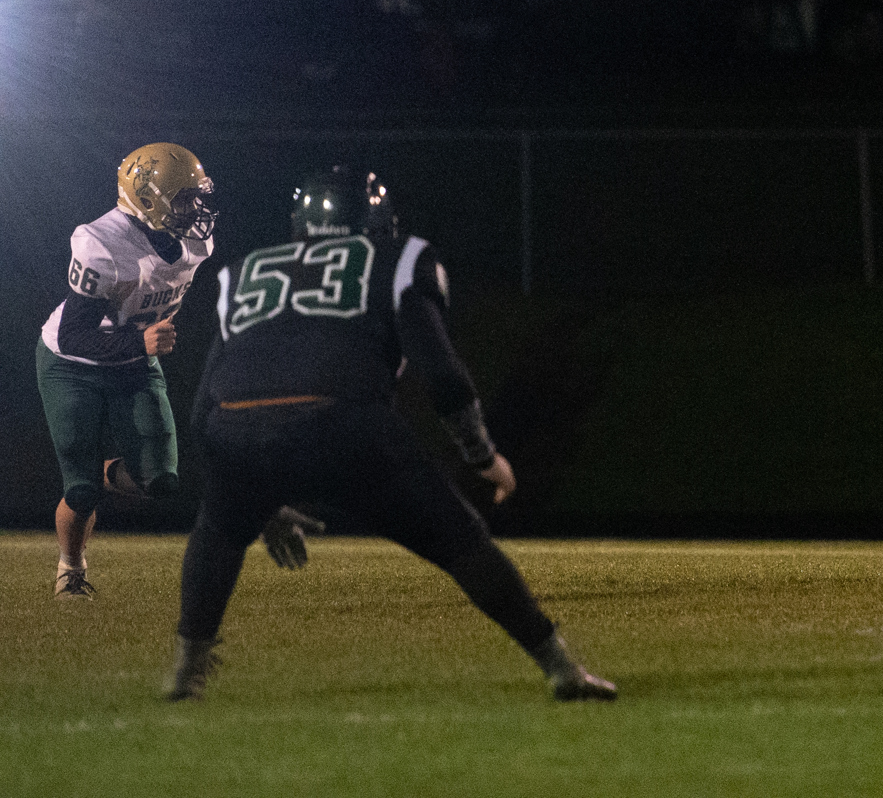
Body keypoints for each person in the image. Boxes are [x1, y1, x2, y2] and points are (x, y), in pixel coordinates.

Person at [163, 166, 614, 703]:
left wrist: (249, 495)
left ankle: (187, 669)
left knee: (216, 528)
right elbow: (443, 374)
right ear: (375, 218)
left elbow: (205, 400)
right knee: (461, 541)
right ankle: (561, 668)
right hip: (344, 425)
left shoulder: (241, 271)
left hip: (234, 426)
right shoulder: (400, 257)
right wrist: (481, 454)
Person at [37, 143, 216, 599]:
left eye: (197, 196)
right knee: (79, 494)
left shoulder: (194, 239)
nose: (195, 208)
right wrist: (140, 341)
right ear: (150, 197)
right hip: (71, 364)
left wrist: (139, 346)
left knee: (161, 482)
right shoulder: (101, 242)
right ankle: (70, 569)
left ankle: (99, 473)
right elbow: (76, 335)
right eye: (184, 198)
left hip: (134, 363)